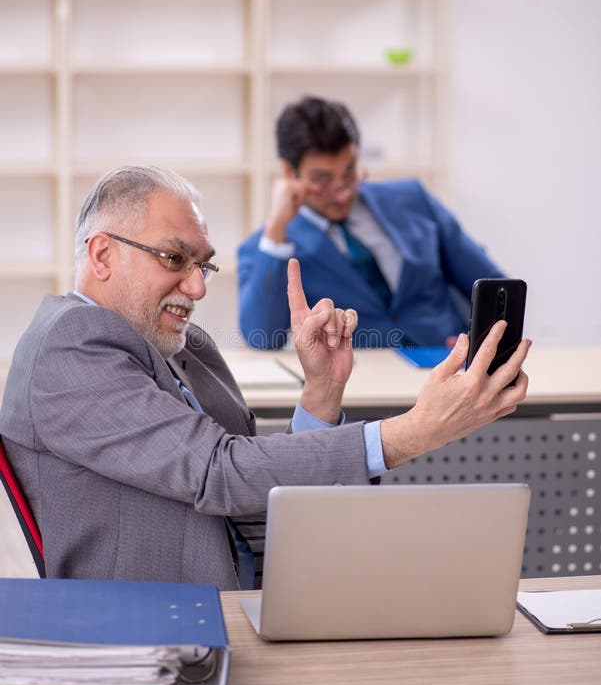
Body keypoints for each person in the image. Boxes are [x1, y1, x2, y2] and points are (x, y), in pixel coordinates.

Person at [0, 166, 530, 591]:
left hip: (255, 595)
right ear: (102, 254)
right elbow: (218, 472)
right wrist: (415, 431)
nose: (197, 287)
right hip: (157, 631)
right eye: (173, 258)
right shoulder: (69, 344)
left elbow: (253, 491)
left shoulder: (188, 346)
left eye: (201, 265)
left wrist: (320, 392)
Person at [238, 95, 504, 350]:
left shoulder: (413, 199)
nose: (342, 192)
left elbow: (496, 288)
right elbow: (262, 338)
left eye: (349, 172)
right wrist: (275, 230)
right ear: (289, 172)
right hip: (358, 384)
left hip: (447, 365)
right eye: (322, 179)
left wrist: (479, 342)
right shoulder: (269, 246)